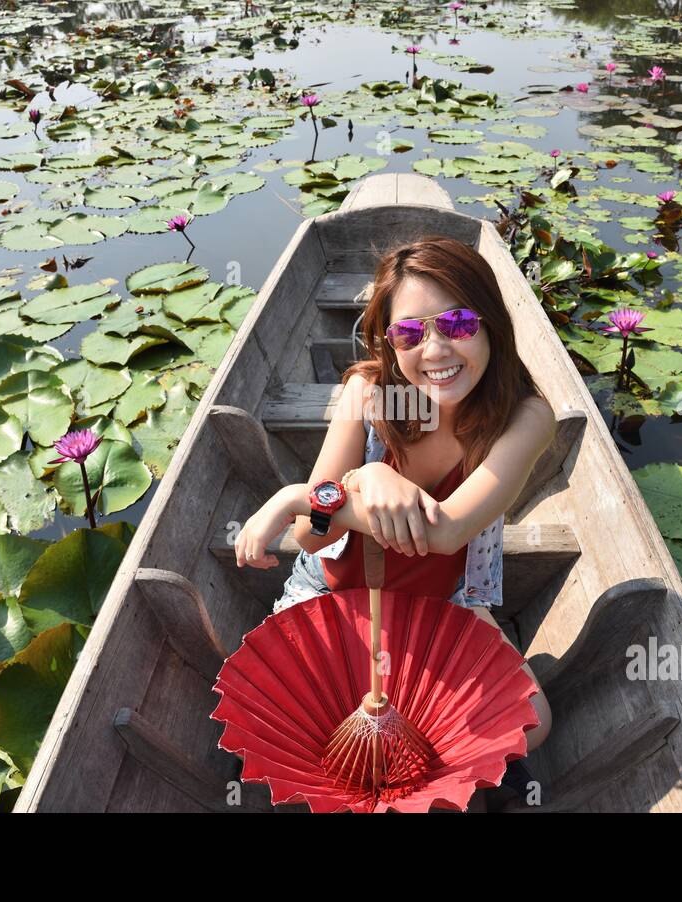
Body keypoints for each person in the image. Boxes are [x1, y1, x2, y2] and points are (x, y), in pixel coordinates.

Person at [232, 235, 556, 766]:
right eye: (410, 333)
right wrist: (363, 478)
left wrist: (297, 495)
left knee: (530, 724)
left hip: (442, 601)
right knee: (287, 725)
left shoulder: (523, 418)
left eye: (457, 324)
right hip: (336, 593)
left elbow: (445, 531)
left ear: (491, 322)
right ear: (390, 343)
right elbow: (314, 535)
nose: (435, 351)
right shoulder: (367, 392)